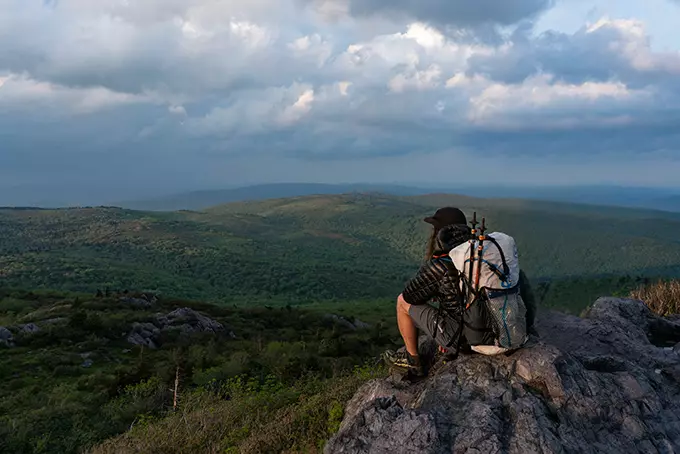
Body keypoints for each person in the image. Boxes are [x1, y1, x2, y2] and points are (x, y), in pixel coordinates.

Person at [382, 207, 537, 377]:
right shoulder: (490, 259)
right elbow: (527, 298)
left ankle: (412, 362)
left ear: (440, 232)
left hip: (466, 341)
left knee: (402, 302)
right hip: (509, 335)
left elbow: (410, 296)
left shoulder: (440, 263)